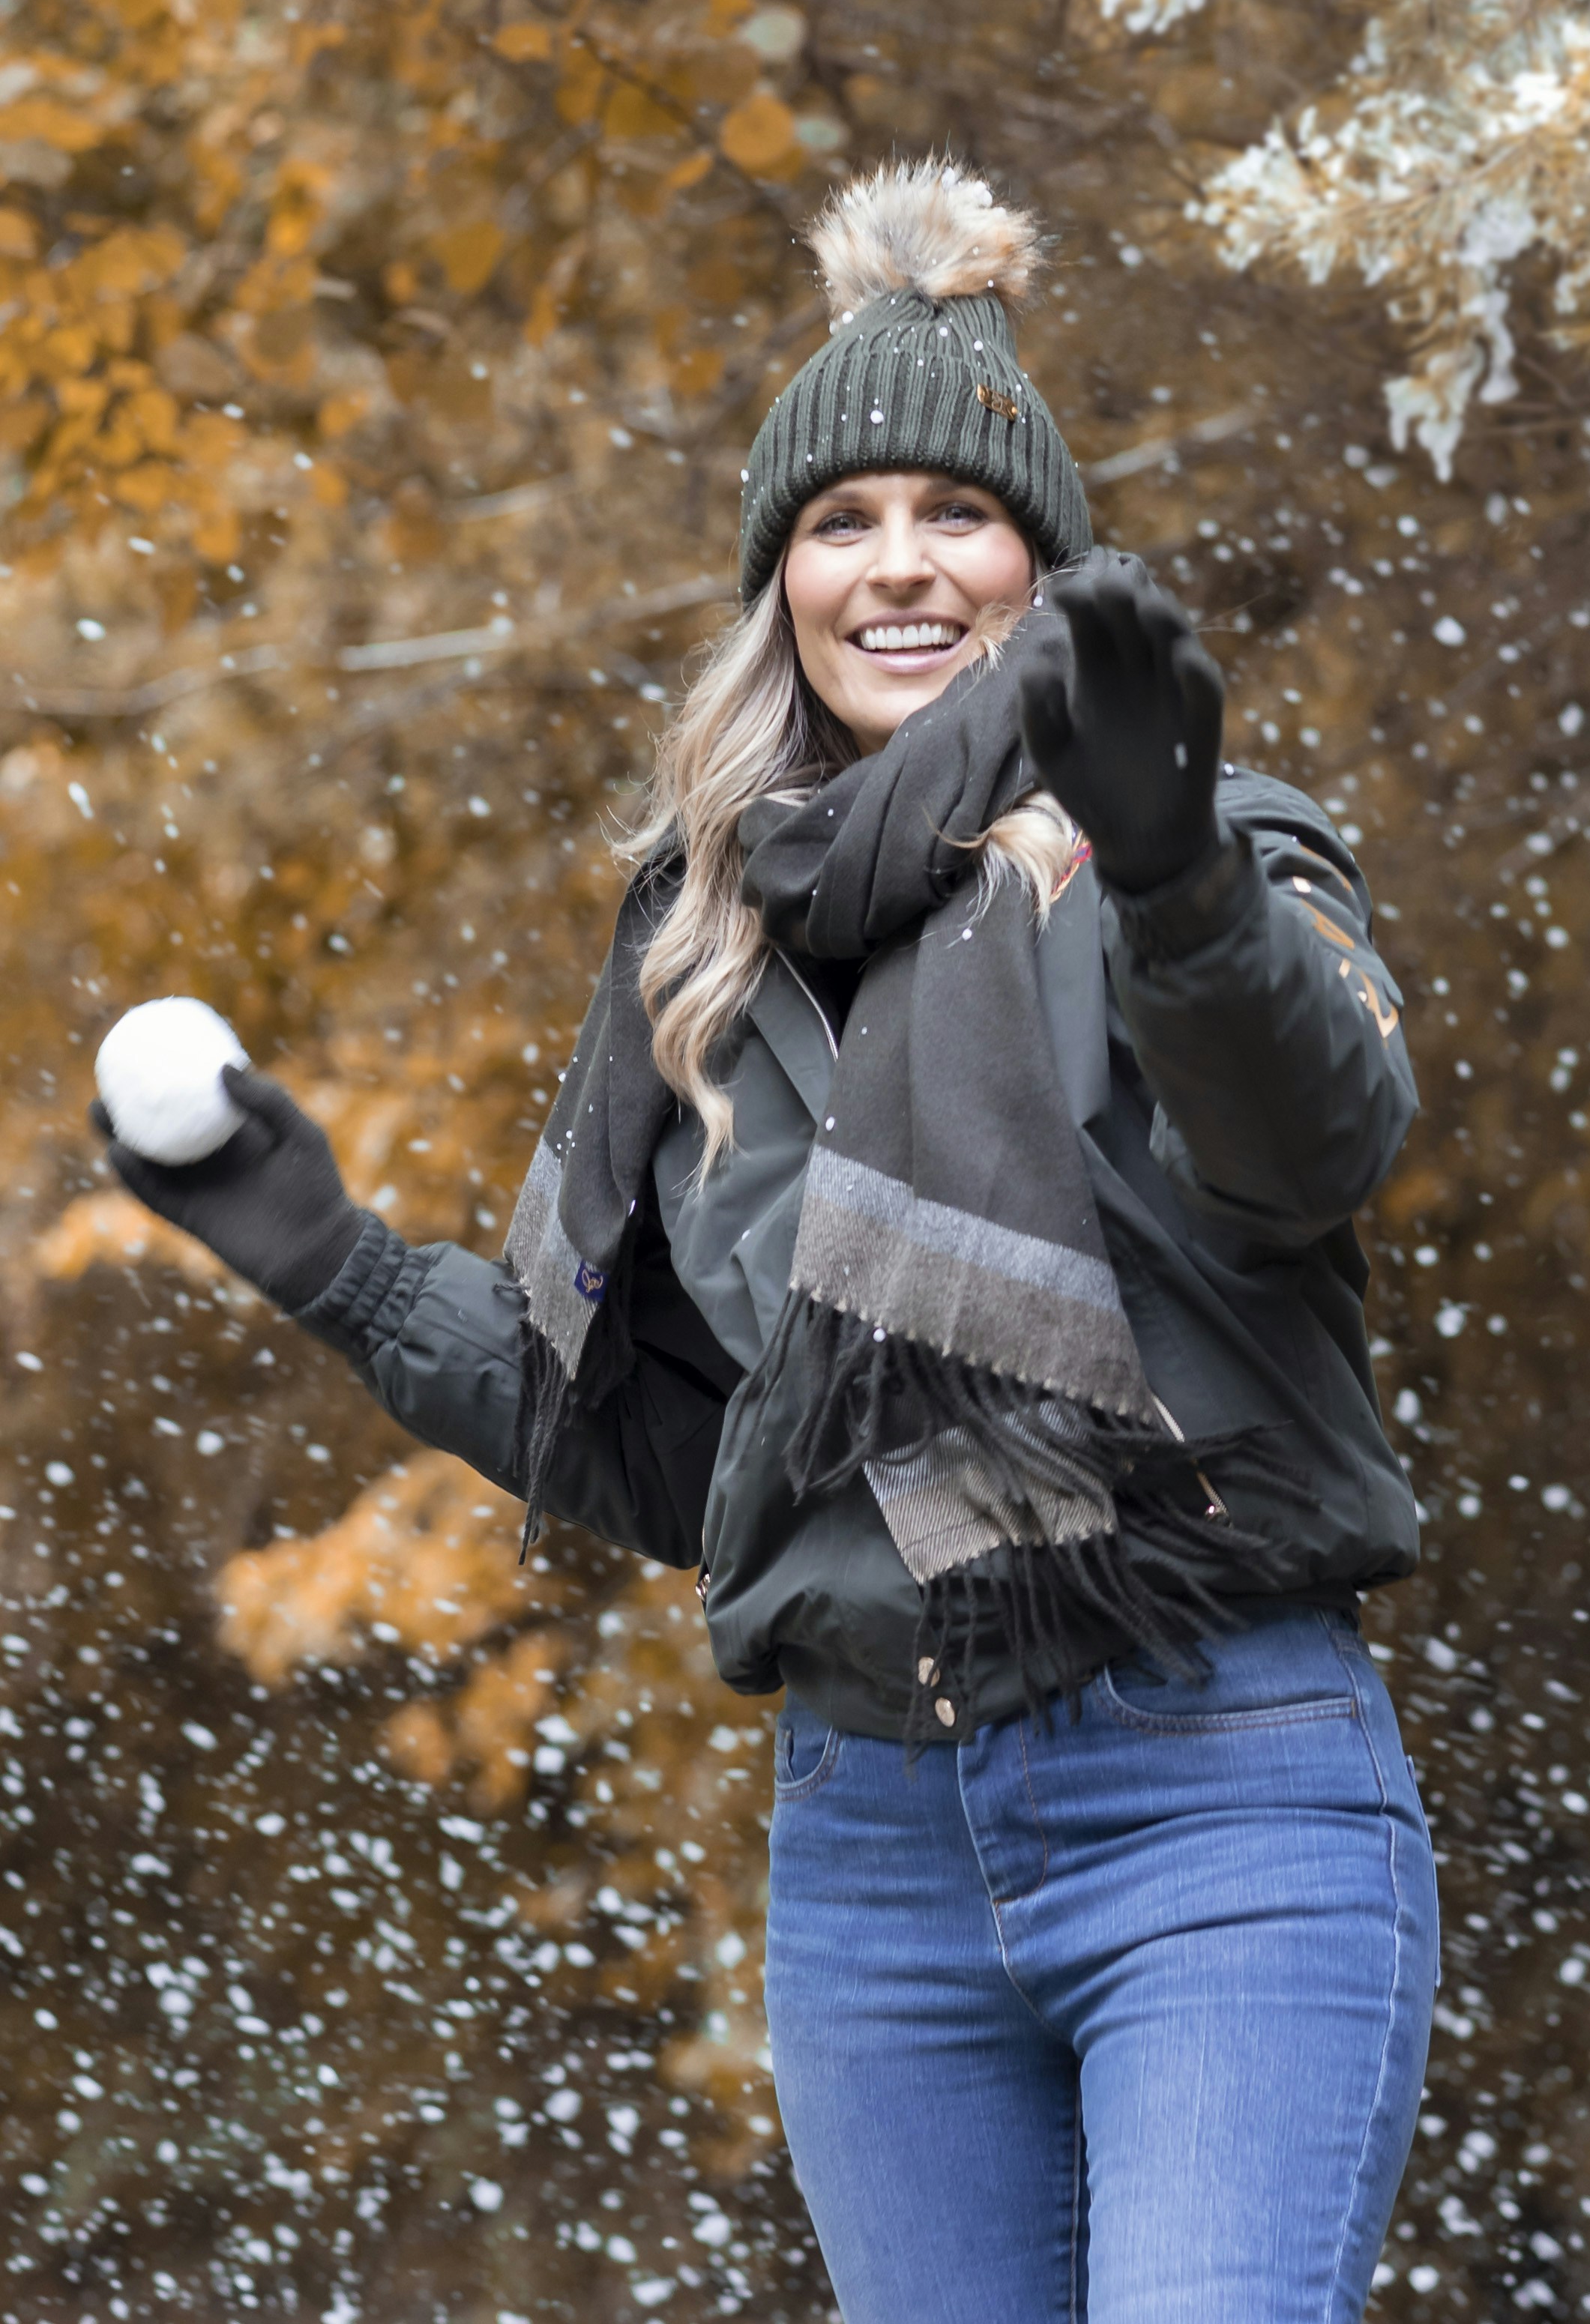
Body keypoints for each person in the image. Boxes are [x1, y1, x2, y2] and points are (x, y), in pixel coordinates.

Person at [93, 159, 1438, 2323]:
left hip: (1219, 1802)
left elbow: (1308, 1151)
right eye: (838, 520)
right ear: (776, 582)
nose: (896, 565)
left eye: (955, 515)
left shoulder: (1201, 849)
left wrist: (1178, 872)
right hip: (869, 1857)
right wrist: (323, 1251)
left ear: (1037, 563)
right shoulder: (703, 968)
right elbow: (653, 1459)